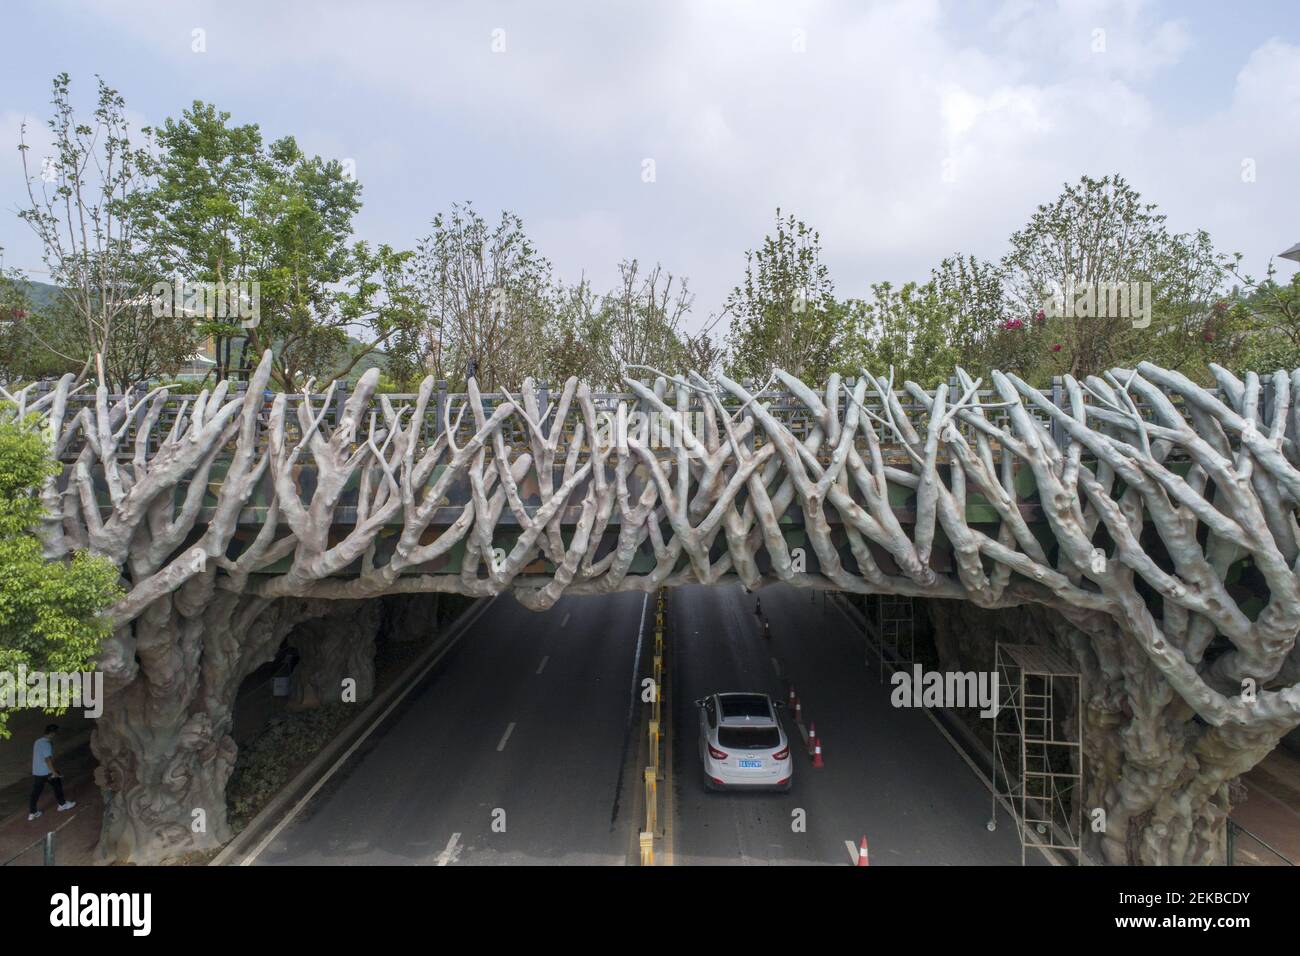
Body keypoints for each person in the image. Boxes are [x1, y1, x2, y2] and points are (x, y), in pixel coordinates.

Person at [28, 724, 76, 821]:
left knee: (35, 792)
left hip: (37, 772)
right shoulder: (46, 744)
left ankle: (32, 813)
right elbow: (48, 760)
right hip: (46, 772)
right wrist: (54, 772)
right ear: (53, 733)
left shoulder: (37, 741)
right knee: (57, 785)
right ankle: (62, 804)